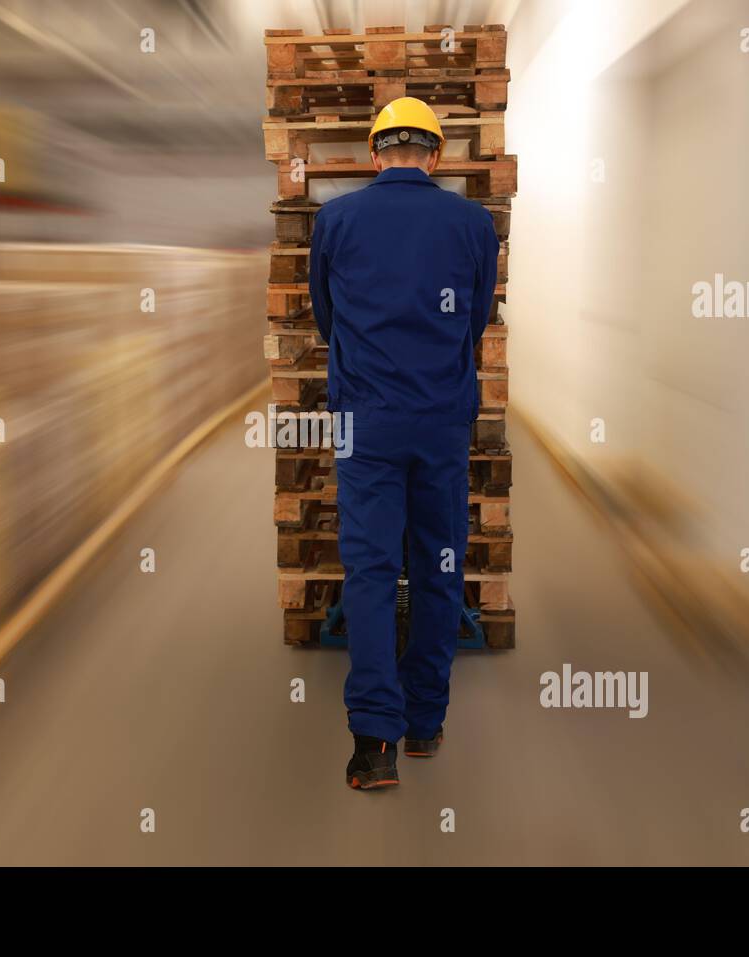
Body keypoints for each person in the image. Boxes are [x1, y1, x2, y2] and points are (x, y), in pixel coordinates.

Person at [308, 96, 499, 790]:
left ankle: (374, 744)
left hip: (369, 421)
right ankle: (425, 721)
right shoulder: (474, 223)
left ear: (373, 152)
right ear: (437, 156)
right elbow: (476, 317)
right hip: (442, 421)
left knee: (370, 569)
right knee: (438, 564)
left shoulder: (336, 220)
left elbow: (326, 317)